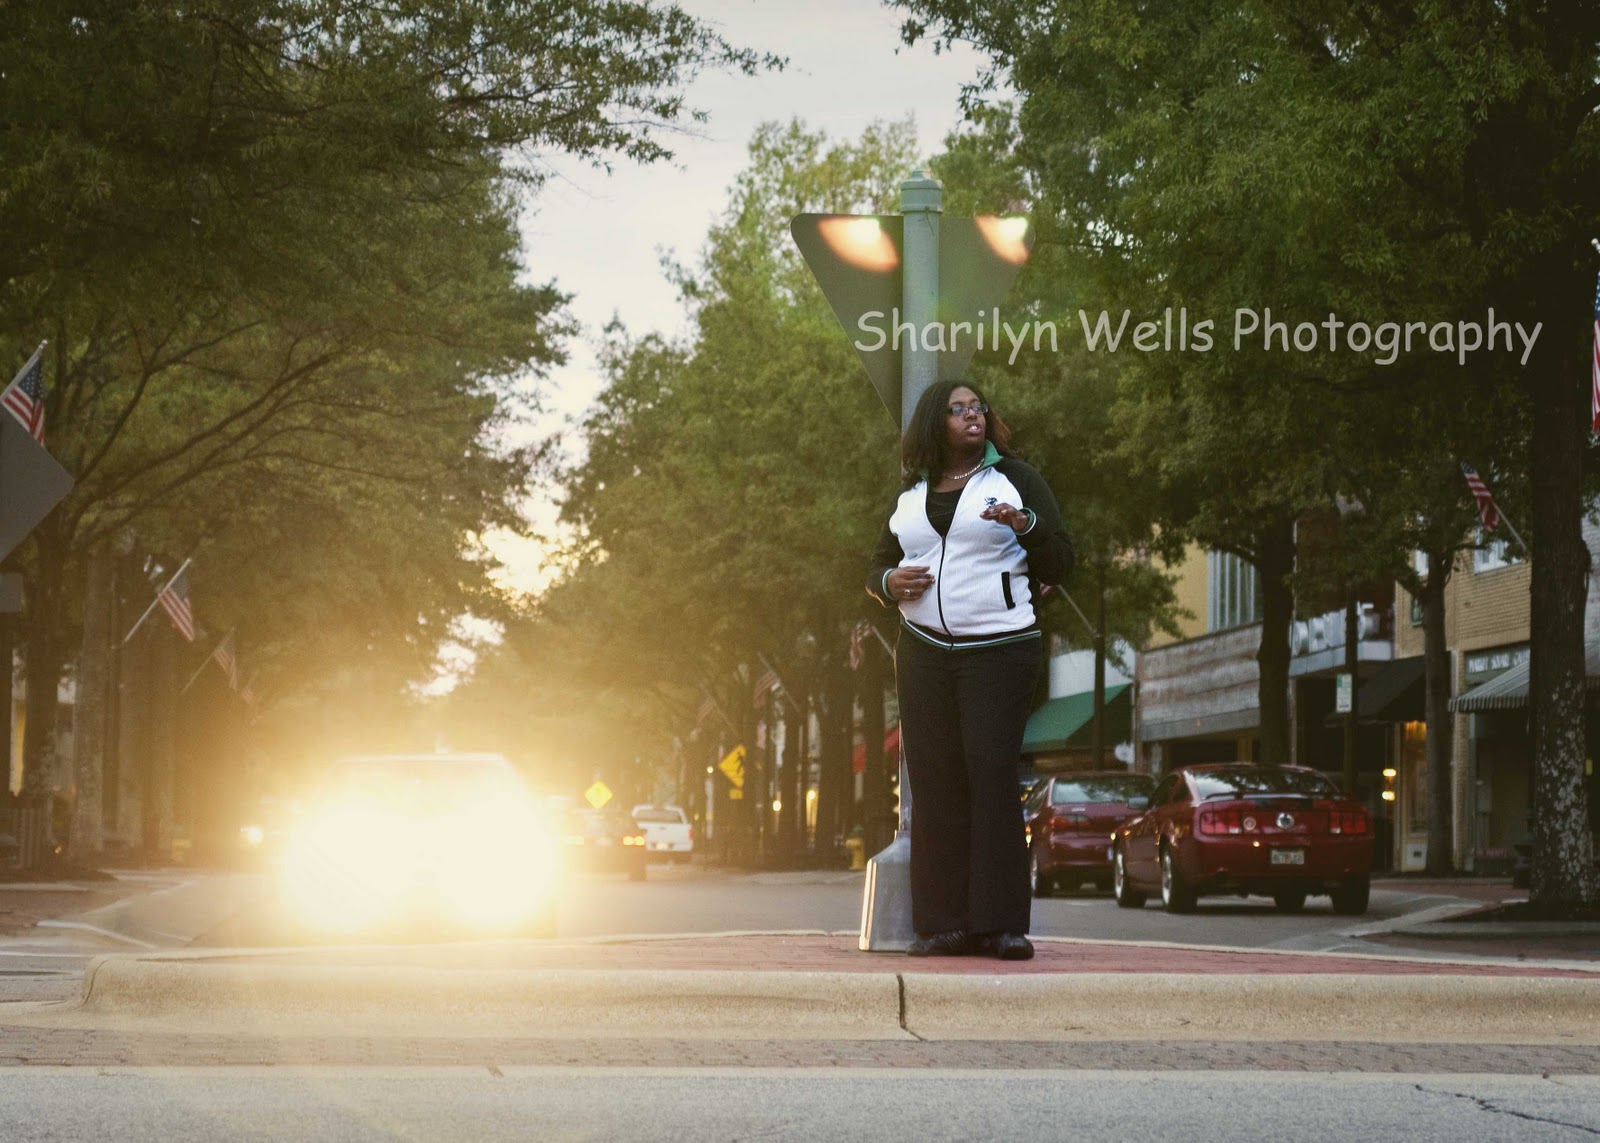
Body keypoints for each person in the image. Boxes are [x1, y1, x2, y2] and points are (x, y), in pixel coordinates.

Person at [866, 381, 1073, 960]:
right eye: (957, 411)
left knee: (990, 774)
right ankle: (945, 924)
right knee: (935, 784)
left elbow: (1062, 557)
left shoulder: (1017, 479)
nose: (971, 417)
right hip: (922, 649)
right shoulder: (910, 493)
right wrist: (887, 584)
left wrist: (1024, 524)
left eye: (977, 407)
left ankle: (1001, 924)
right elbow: (878, 562)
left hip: (1000, 648)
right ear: (936, 423)